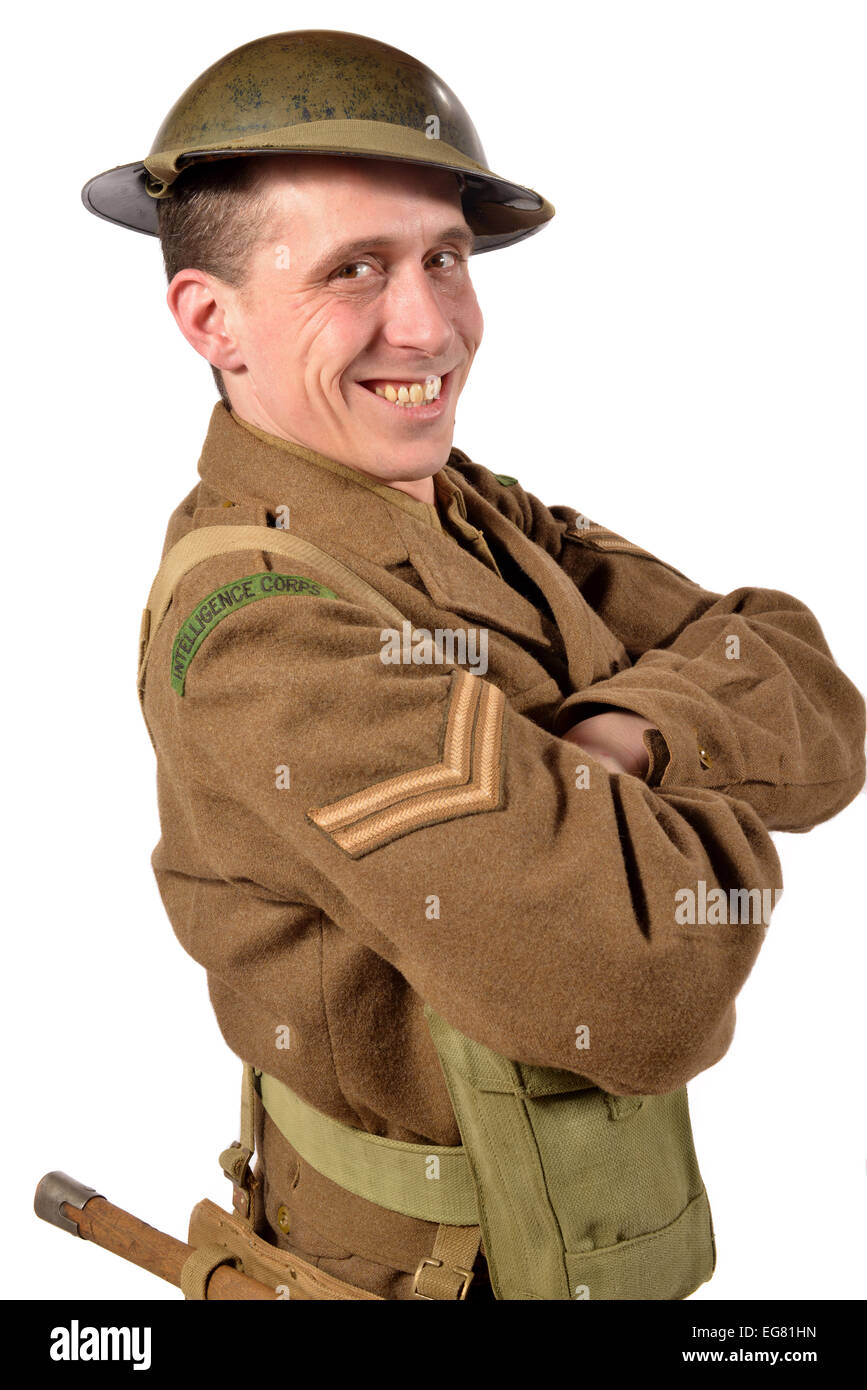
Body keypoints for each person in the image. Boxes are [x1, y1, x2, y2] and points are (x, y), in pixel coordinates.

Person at [83, 29, 866, 1300]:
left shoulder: (477, 511)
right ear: (210, 320)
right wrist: (689, 784)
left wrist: (627, 742)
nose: (431, 324)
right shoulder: (259, 629)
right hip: (433, 1277)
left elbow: (817, 697)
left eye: (445, 257)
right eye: (356, 270)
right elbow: (647, 975)